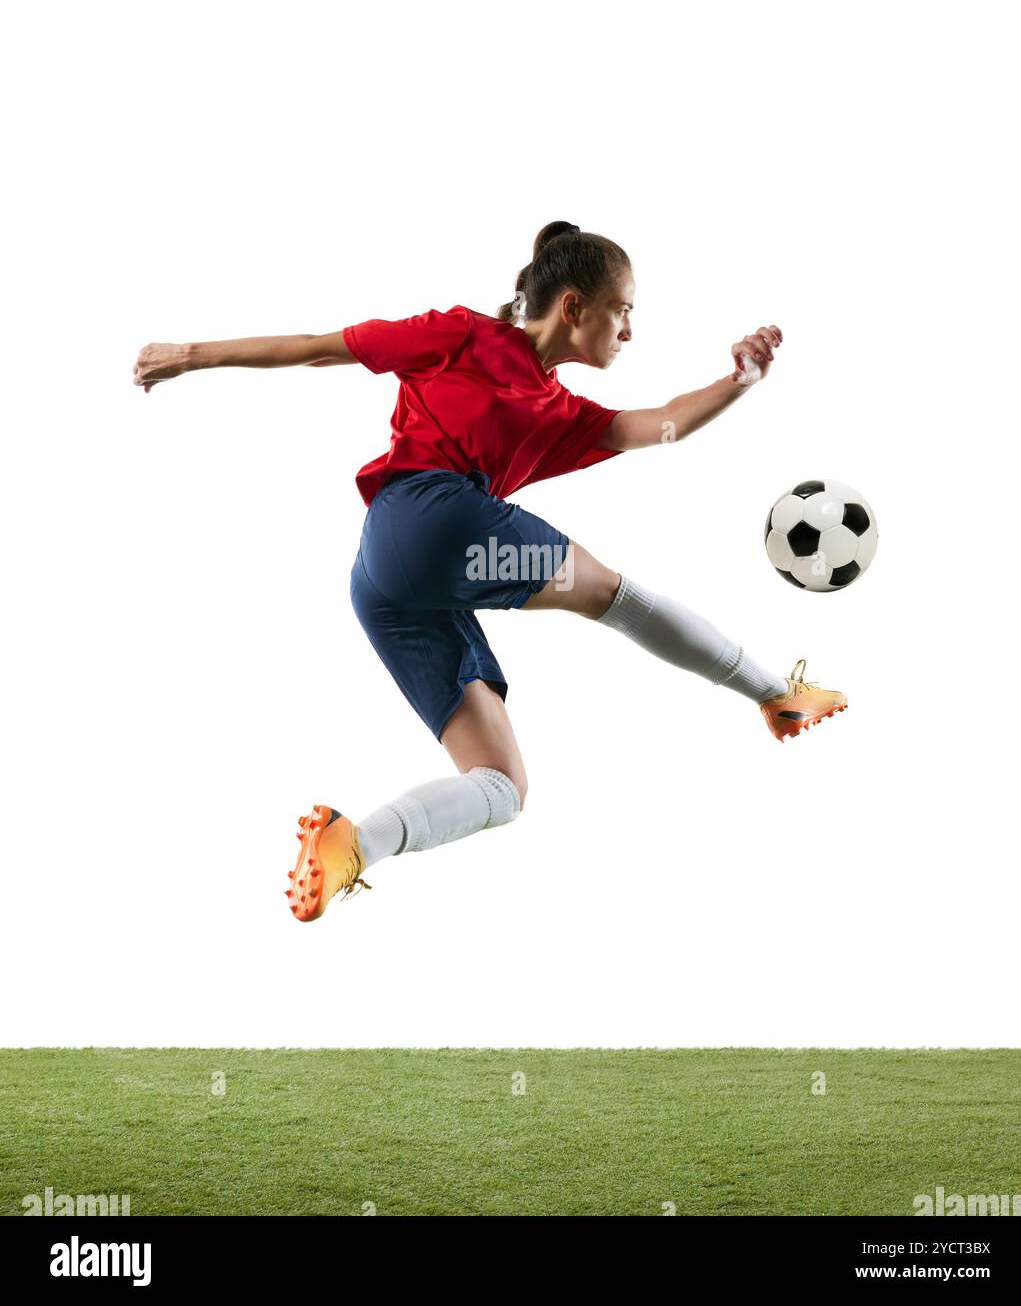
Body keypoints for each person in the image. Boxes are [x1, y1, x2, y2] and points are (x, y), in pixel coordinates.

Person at [133, 221, 846, 923]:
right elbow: (322, 349)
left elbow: (660, 423)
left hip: (385, 578)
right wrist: (190, 354)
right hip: (434, 514)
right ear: (574, 306)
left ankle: (353, 845)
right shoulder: (462, 333)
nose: (629, 330)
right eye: (623, 310)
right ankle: (776, 695)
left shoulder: (561, 410)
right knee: (620, 600)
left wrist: (738, 381)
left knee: (502, 788)